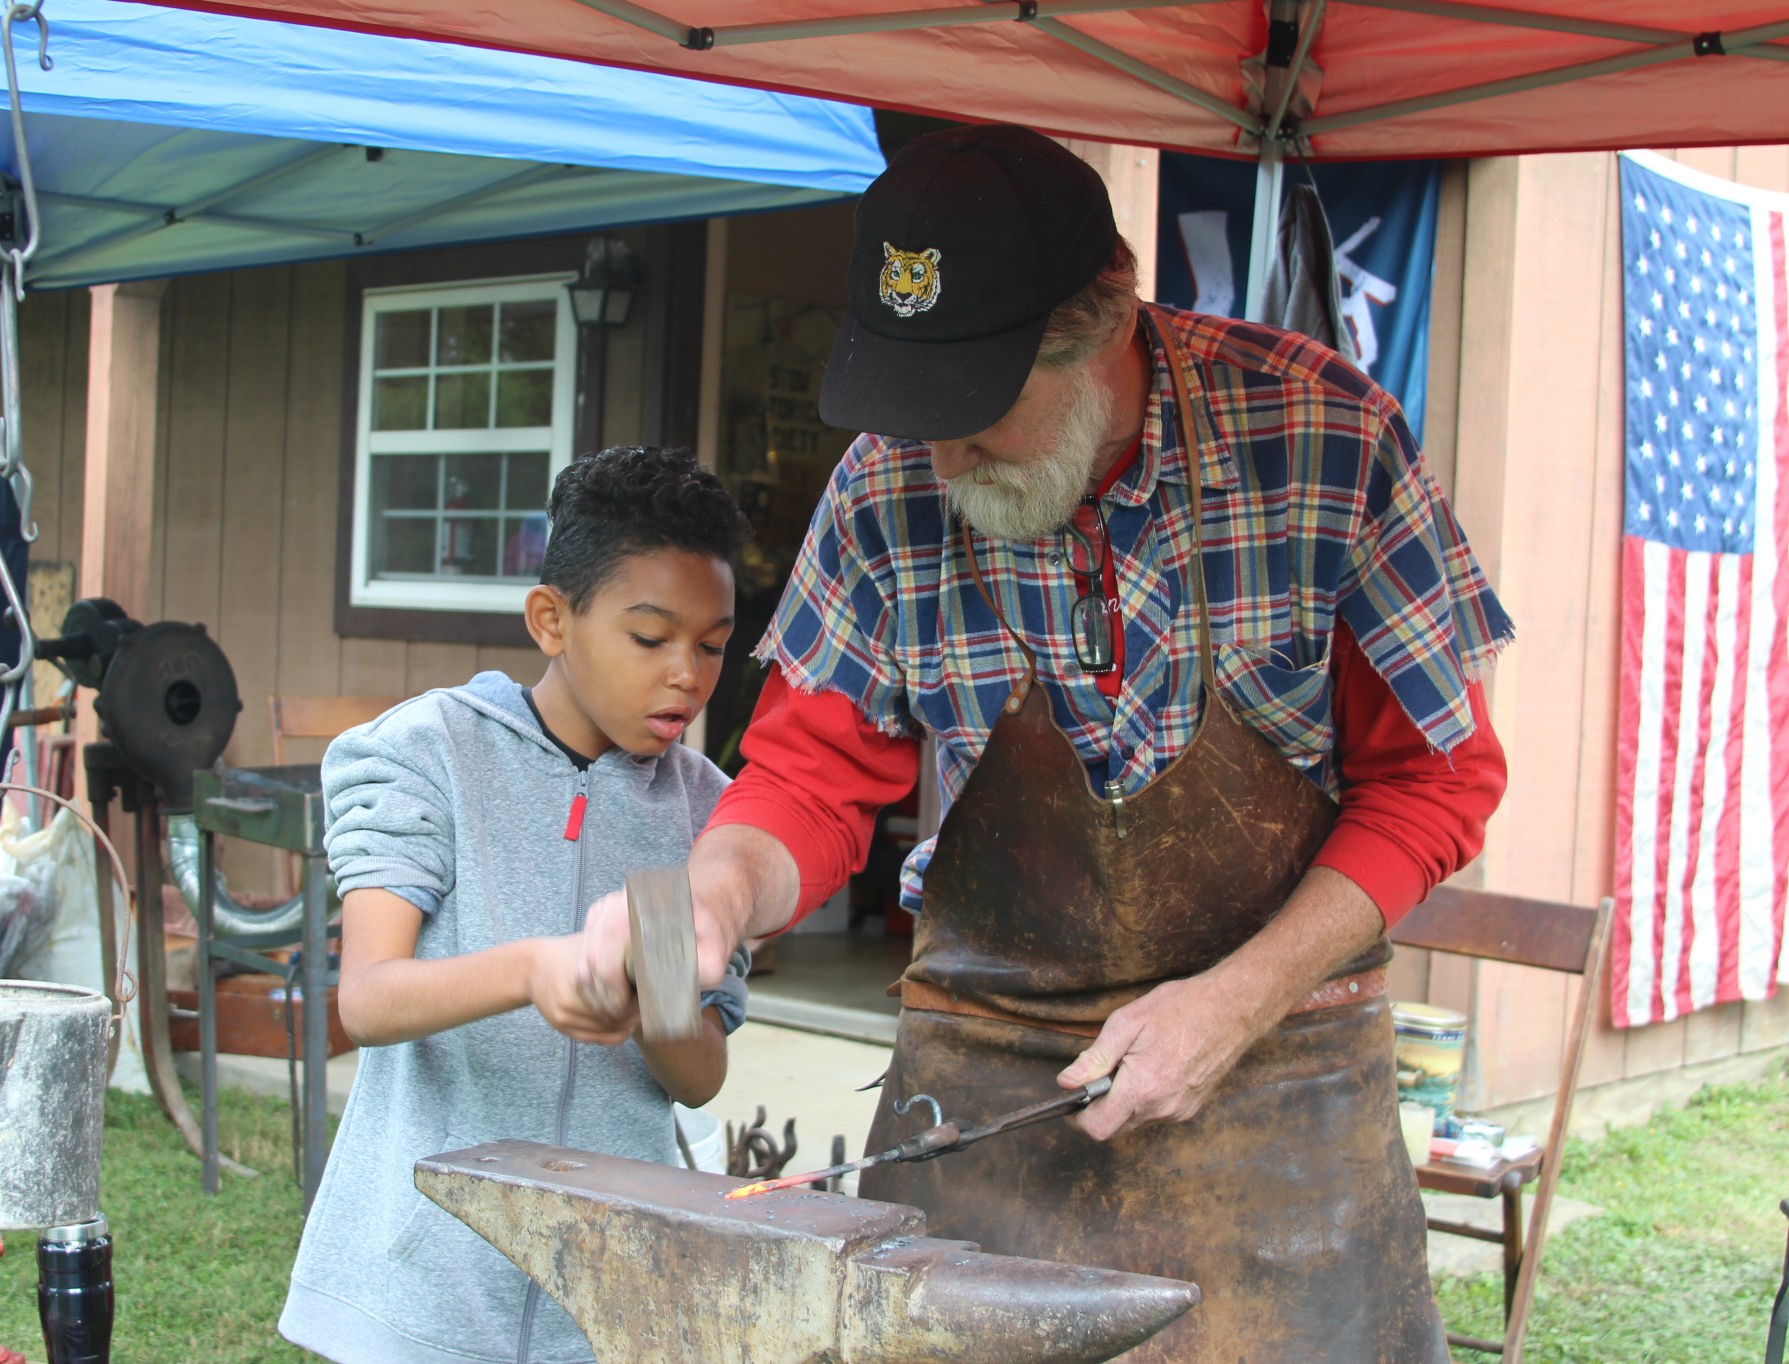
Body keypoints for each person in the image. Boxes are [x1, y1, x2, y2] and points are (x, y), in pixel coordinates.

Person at [574, 126, 1514, 1361]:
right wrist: (710, 894)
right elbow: (810, 774)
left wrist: (1237, 997)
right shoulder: (883, 489)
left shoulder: (1326, 441)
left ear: (1106, 317)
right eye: (915, 407)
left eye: (973, 409)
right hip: (986, 1087)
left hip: (1280, 1076)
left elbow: (1436, 779)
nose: (939, 455)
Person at [280, 446, 755, 1364]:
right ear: (552, 619)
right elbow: (369, 1000)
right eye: (650, 638)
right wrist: (537, 968)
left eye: (712, 645)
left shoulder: (708, 812)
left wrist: (652, 983)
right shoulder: (429, 753)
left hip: (609, 1299)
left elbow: (698, 1078)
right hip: (424, 1285)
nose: (686, 676)